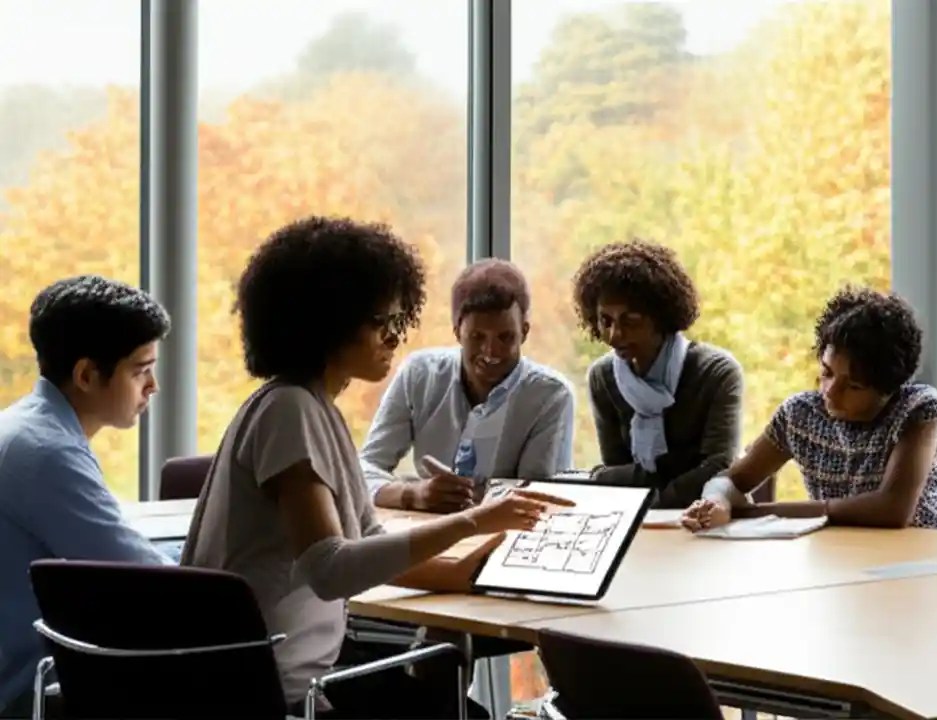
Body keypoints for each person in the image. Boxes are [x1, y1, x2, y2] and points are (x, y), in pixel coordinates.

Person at [181, 217, 570, 719]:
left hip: (269, 676)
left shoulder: (308, 406)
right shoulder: (290, 411)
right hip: (274, 693)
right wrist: (474, 521)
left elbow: (367, 546)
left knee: (444, 686)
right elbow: (330, 568)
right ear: (330, 325)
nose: (395, 337)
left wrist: (478, 574)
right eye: (381, 322)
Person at [0, 275, 173, 717]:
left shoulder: (26, 427)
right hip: (29, 690)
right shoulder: (46, 453)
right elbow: (144, 579)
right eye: (140, 370)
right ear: (86, 374)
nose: (152, 386)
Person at [682, 286, 937, 531]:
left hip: (919, 562)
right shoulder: (800, 414)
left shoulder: (917, 409)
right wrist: (717, 501)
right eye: (827, 372)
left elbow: (892, 509)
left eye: (853, 386)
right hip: (839, 561)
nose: (830, 391)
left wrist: (759, 513)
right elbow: (731, 480)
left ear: (887, 390)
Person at [361, 259, 574, 513]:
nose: (491, 351)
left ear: (524, 332)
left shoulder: (551, 396)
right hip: (425, 529)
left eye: (505, 337)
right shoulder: (419, 374)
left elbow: (535, 496)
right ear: (456, 332)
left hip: (503, 535)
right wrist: (412, 494)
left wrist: (464, 499)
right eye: (477, 337)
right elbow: (365, 468)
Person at [573, 240, 744, 509]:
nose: (615, 334)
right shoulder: (603, 378)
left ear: (661, 317)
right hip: (638, 520)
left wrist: (647, 498)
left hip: (706, 516)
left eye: (630, 320)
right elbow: (618, 472)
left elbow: (719, 468)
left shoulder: (716, 372)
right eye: (605, 321)